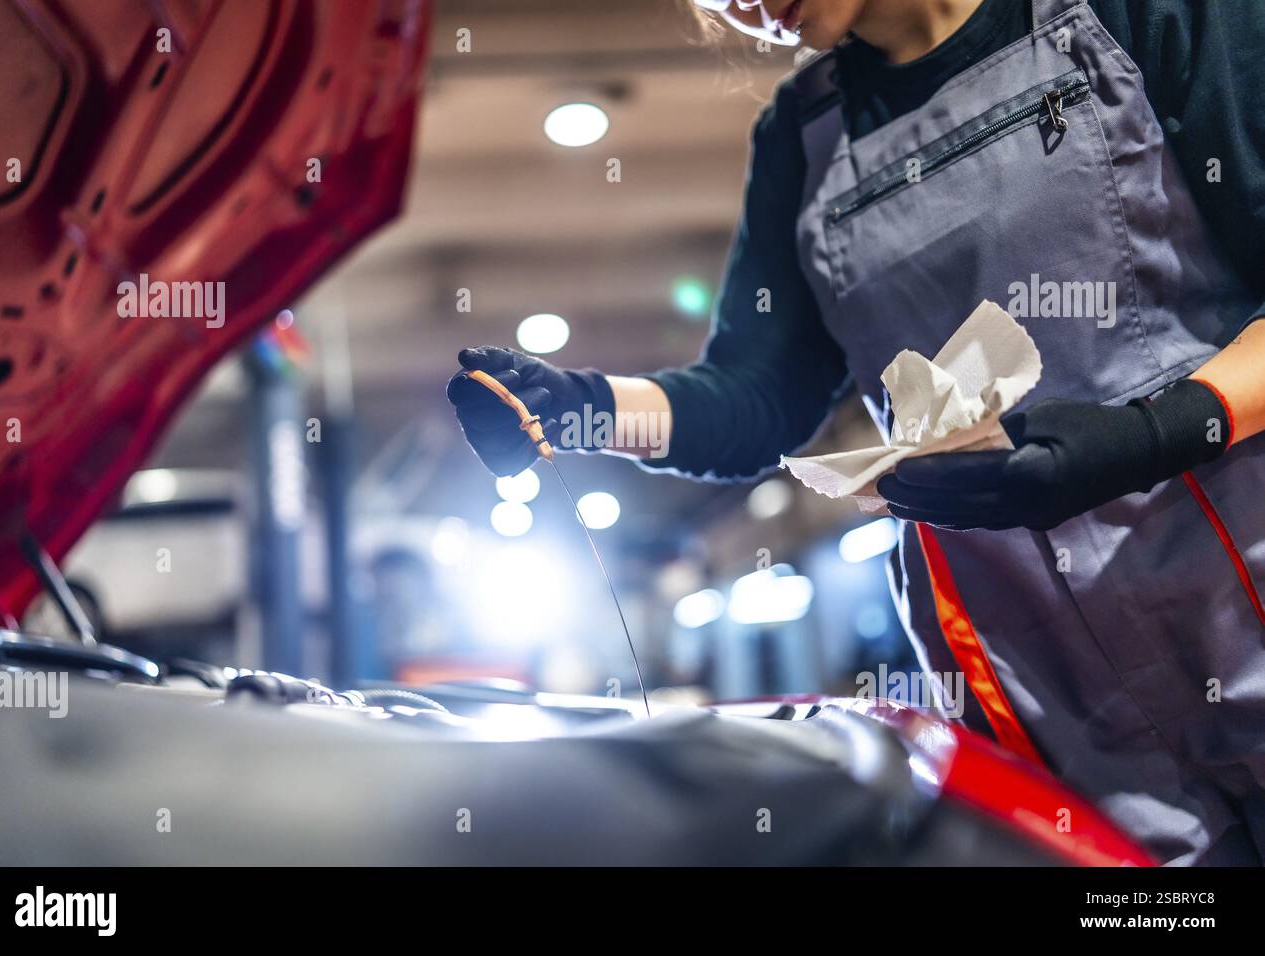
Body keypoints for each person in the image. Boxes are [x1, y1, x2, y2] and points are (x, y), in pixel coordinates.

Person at [446, 0, 1265, 865]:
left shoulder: (1138, 15)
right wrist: (577, 407)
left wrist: (1151, 432)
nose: (745, 4)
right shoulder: (803, 142)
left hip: (1237, 595)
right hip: (1037, 682)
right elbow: (757, 399)